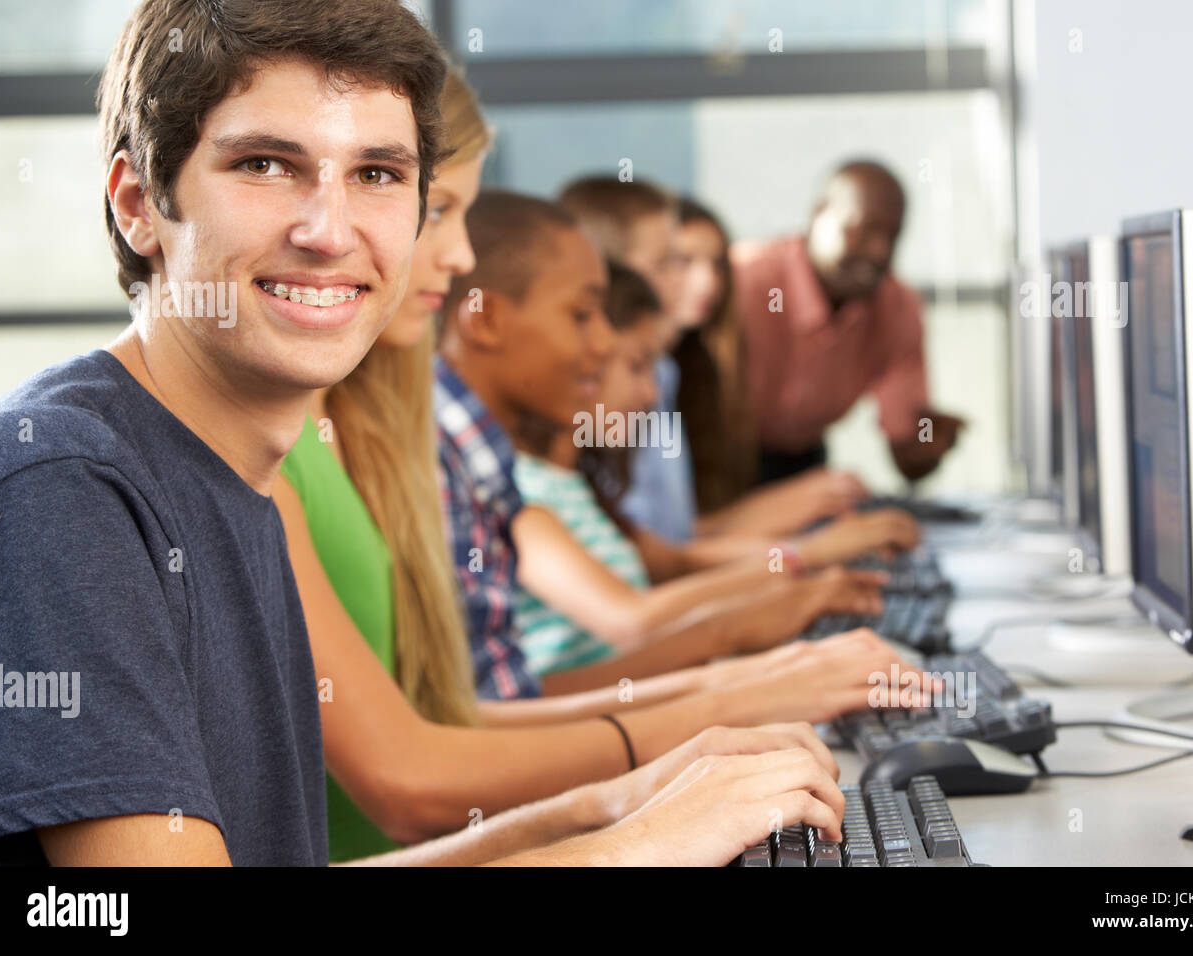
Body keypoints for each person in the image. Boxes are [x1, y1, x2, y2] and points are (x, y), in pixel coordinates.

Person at [0, 0, 853, 868]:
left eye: (378, 175)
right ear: (137, 204)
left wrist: (615, 802)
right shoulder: (67, 481)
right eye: (265, 164)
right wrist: (630, 850)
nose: (329, 233)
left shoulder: (236, 476)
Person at [274, 70, 930, 862]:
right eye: (436, 212)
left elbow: (450, 721)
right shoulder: (275, 459)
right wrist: (685, 751)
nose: (457, 259)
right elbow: (418, 778)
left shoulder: (363, 437)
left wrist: (675, 759)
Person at [513, 261, 915, 680]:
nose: (651, 393)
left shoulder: (578, 488)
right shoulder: (524, 498)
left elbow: (678, 561)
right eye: (637, 366)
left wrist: (800, 566)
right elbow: (633, 621)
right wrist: (789, 576)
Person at [558, 175, 896, 542]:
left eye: (715, 264)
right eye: (673, 262)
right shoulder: (599, 398)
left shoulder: (667, 372)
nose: (704, 283)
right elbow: (662, 555)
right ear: (608, 276)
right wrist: (801, 552)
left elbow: (672, 538)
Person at [732, 159, 965, 485]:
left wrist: (929, 444)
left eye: (892, 236)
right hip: (715, 461)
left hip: (804, 464)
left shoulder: (897, 307)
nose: (880, 252)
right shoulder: (744, 282)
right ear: (818, 216)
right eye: (863, 230)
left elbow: (908, 460)